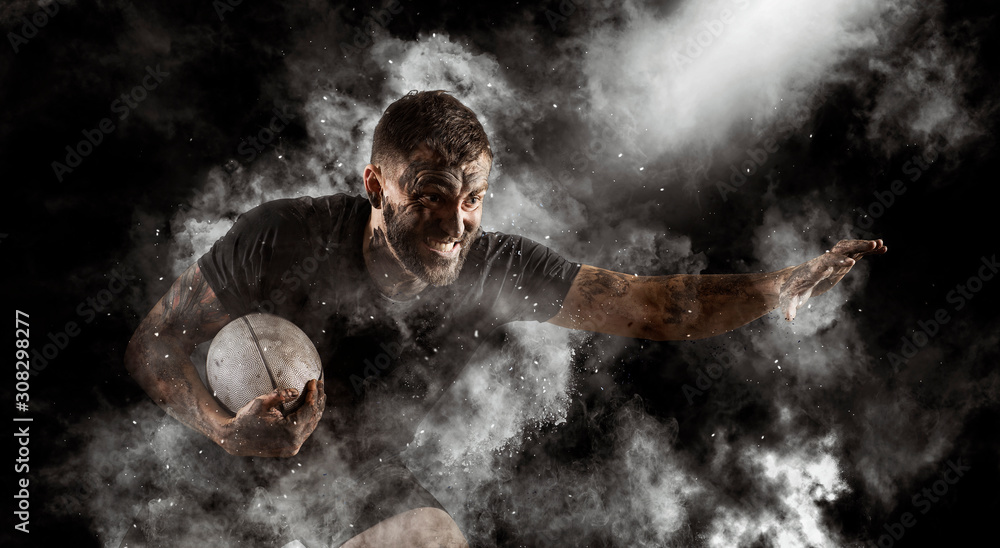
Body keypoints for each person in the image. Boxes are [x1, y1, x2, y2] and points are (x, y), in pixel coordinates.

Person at [123, 90, 887, 547]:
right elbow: (154, 342)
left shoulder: (499, 268)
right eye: (430, 195)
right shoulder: (282, 237)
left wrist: (774, 287)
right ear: (375, 187)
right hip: (219, 462)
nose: (454, 224)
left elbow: (652, 307)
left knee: (433, 538)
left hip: (356, 475)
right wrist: (224, 431)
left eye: (472, 198)